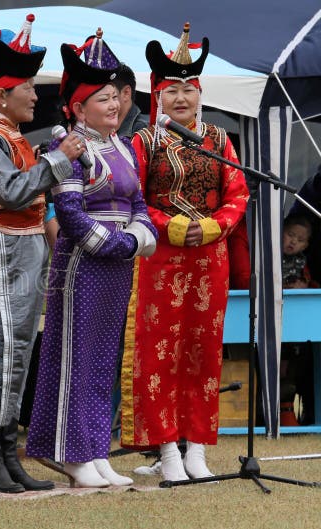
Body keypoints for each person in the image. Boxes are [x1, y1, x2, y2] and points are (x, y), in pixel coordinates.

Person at [0, 14, 81, 494]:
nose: (34, 95)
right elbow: (10, 191)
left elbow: (28, 192)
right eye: (26, 87)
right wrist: (62, 157)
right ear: (2, 94)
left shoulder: (13, 138)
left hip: (17, 253)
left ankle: (8, 455)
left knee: (16, 350)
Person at [25, 33, 158, 488]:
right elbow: (70, 213)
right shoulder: (68, 145)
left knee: (104, 359)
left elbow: (139, 200)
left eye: (116, 98)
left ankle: (97, 451)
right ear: (80, 107)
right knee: (75, 358)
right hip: (82, 265)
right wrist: (116, 244)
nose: (114, 106)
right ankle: (71, 452)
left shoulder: (121, 146)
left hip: (118, 263)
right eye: (102, 100)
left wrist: (140, 235)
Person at [119, 23, 249, 482]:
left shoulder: (219, 139)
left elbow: (238, 192)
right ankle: (169, 452)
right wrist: (172, 225)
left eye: (188, 90)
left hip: (209, 258)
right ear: (157, 95)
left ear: (200, 94)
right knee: (159, 355)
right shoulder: (143, 142)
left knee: (202, 351)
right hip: (160, 258)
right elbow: (133, 200)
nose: (181, 98)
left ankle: (197, 447)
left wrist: (215, 225)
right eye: (171, 90)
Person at [281, 214, 313, 289]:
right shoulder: (269, 254)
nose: (294, 241)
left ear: (304, 246)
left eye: (300, 240)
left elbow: (306, 280)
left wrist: (302, 284)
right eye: (290, 235)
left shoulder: (301, 261)